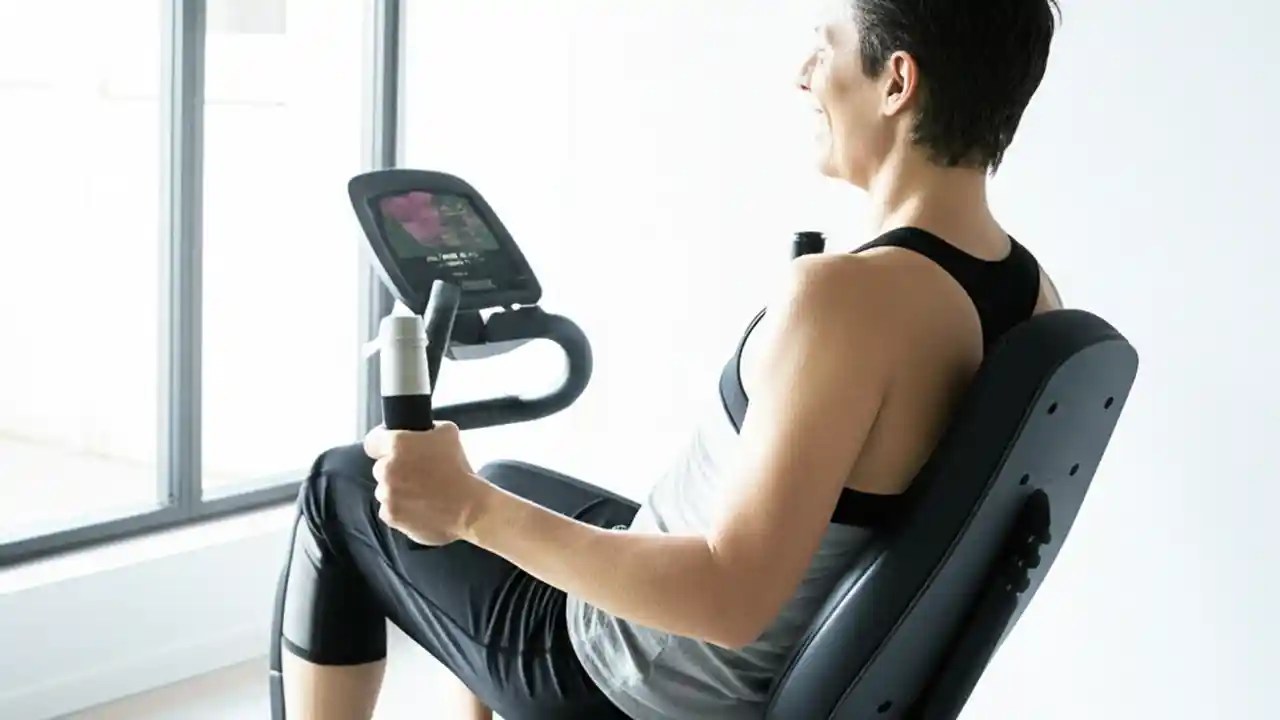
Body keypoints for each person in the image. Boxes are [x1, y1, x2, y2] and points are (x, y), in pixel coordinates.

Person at [274, 1, 1064, 718]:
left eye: (824, 49)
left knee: (342, 485)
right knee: (505, 478)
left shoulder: (848, 301)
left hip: (636, 680)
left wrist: (465, 510)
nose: (803, 75)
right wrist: (480, 503)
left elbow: (730, 598)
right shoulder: (1030, 298)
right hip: (743, 648)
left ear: (896, 81)